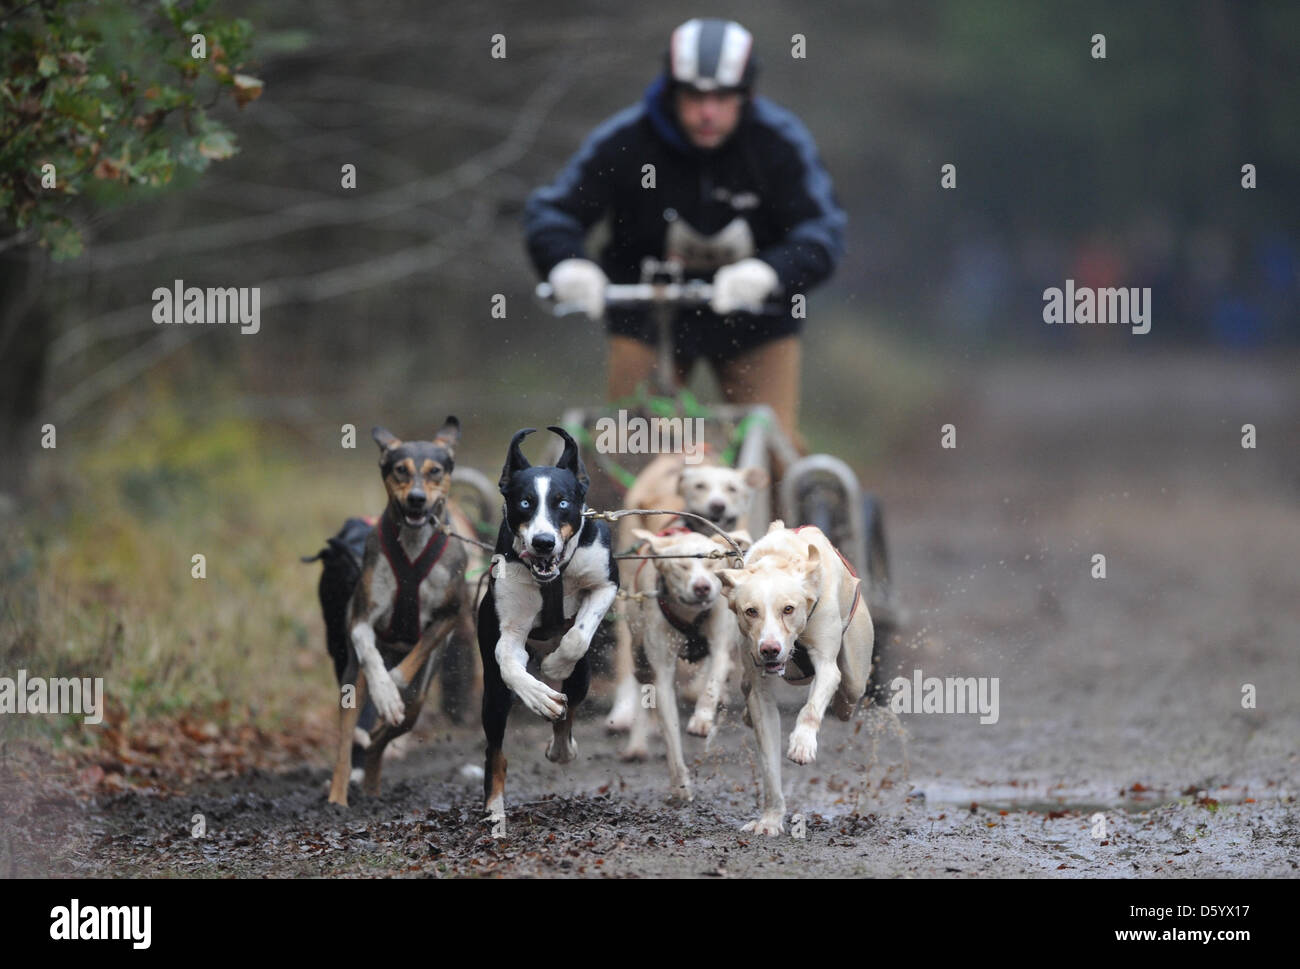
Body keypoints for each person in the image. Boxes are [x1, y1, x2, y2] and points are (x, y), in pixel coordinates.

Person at [524, 17, 845, 454]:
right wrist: (567, 262)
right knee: (630, 449)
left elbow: (823, 230)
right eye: (694, 96)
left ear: (746, 95)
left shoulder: (779, 145)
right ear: (672, 92)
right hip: (647, 320)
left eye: (721, 98)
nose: (707, 112)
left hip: (757, 322)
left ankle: (795, 511)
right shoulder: (626, 142)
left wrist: (770, 273)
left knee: (768, 452)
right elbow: (553, 211)